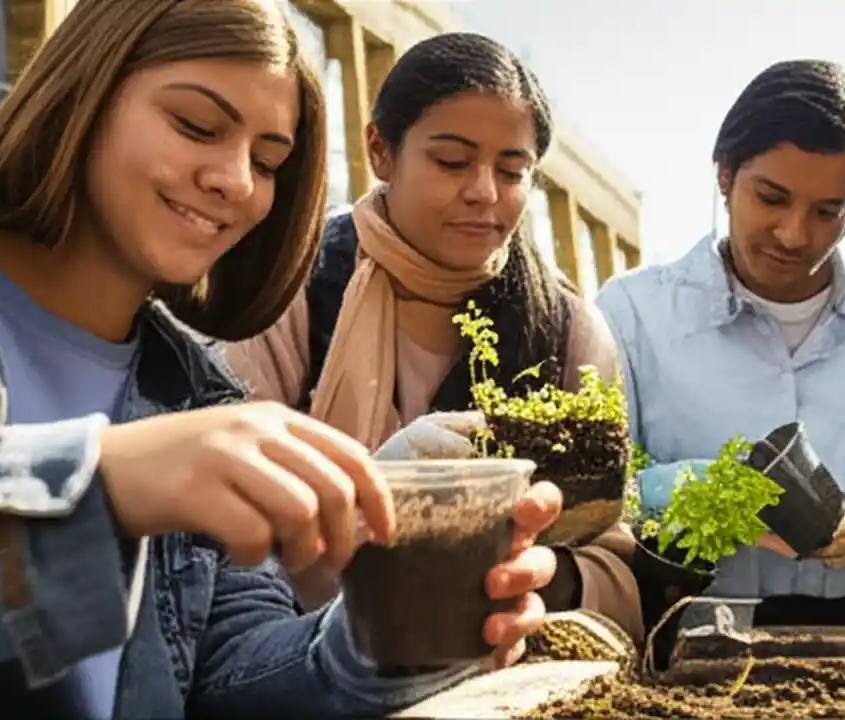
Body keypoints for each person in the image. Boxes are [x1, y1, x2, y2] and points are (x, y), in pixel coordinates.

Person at [0, 1, 558, 716]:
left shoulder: (200, 397)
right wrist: (100, 483)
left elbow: (227, 680)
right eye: (196, 126)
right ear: (86, 89)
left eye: (268, 160)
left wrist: (390, 635)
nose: (237, 182)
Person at [225, 31, 642, 640]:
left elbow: (613, 556)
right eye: (451, 162)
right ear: (381, 150)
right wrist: (376, 496)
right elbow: (227, 515)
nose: (482, 192)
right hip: (299, 657)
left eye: (511, 171)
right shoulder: (290, 286)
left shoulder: (568, 328)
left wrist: (537, 578)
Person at [597, 60, 845, 630]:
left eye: (828, 212)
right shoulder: (632, 312)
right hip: (684, 625)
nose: (794, 234)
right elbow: (597, 497)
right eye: (772, 198)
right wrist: (685, 491)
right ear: (725, 175)